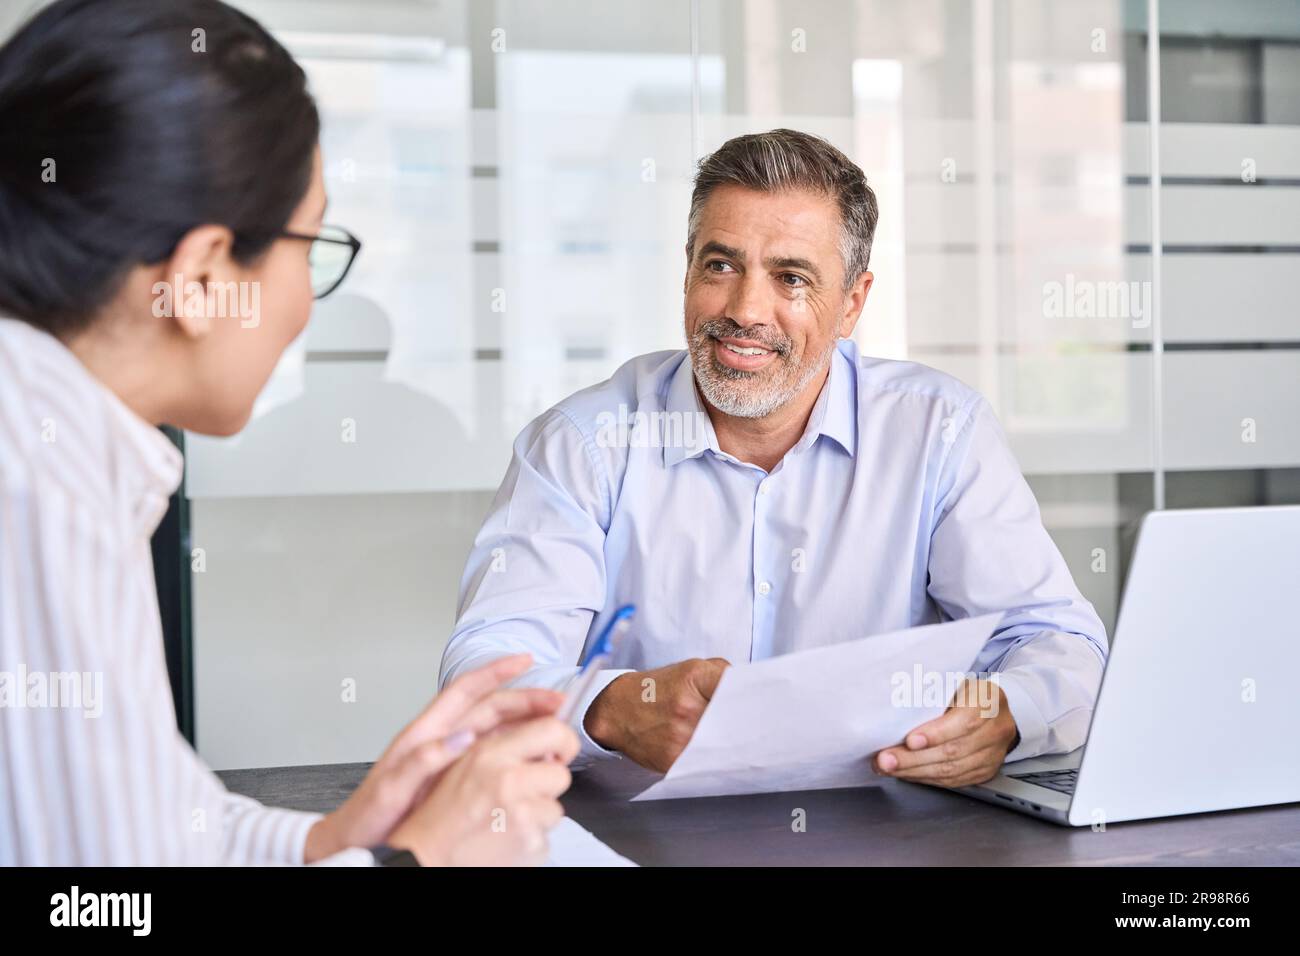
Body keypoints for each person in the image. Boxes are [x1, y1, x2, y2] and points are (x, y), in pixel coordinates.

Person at [0, 0, 577, 866]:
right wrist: (420, 859)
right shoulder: (33, 484)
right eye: (309, 249)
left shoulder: (70, 444)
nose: (307, 305)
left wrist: (339, 835)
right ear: (198, 278)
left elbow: (161, 828)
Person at [440, 129, 1108, 789]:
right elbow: (483, 673)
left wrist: (1008, 714)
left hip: (887, 833)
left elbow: (1059, 642)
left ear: (852, 303)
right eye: (721, 265)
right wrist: (609, 708)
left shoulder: (938, 432)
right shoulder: (580, 444)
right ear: (687, 269)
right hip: (639, 838)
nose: (745, 309)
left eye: (790, 277)